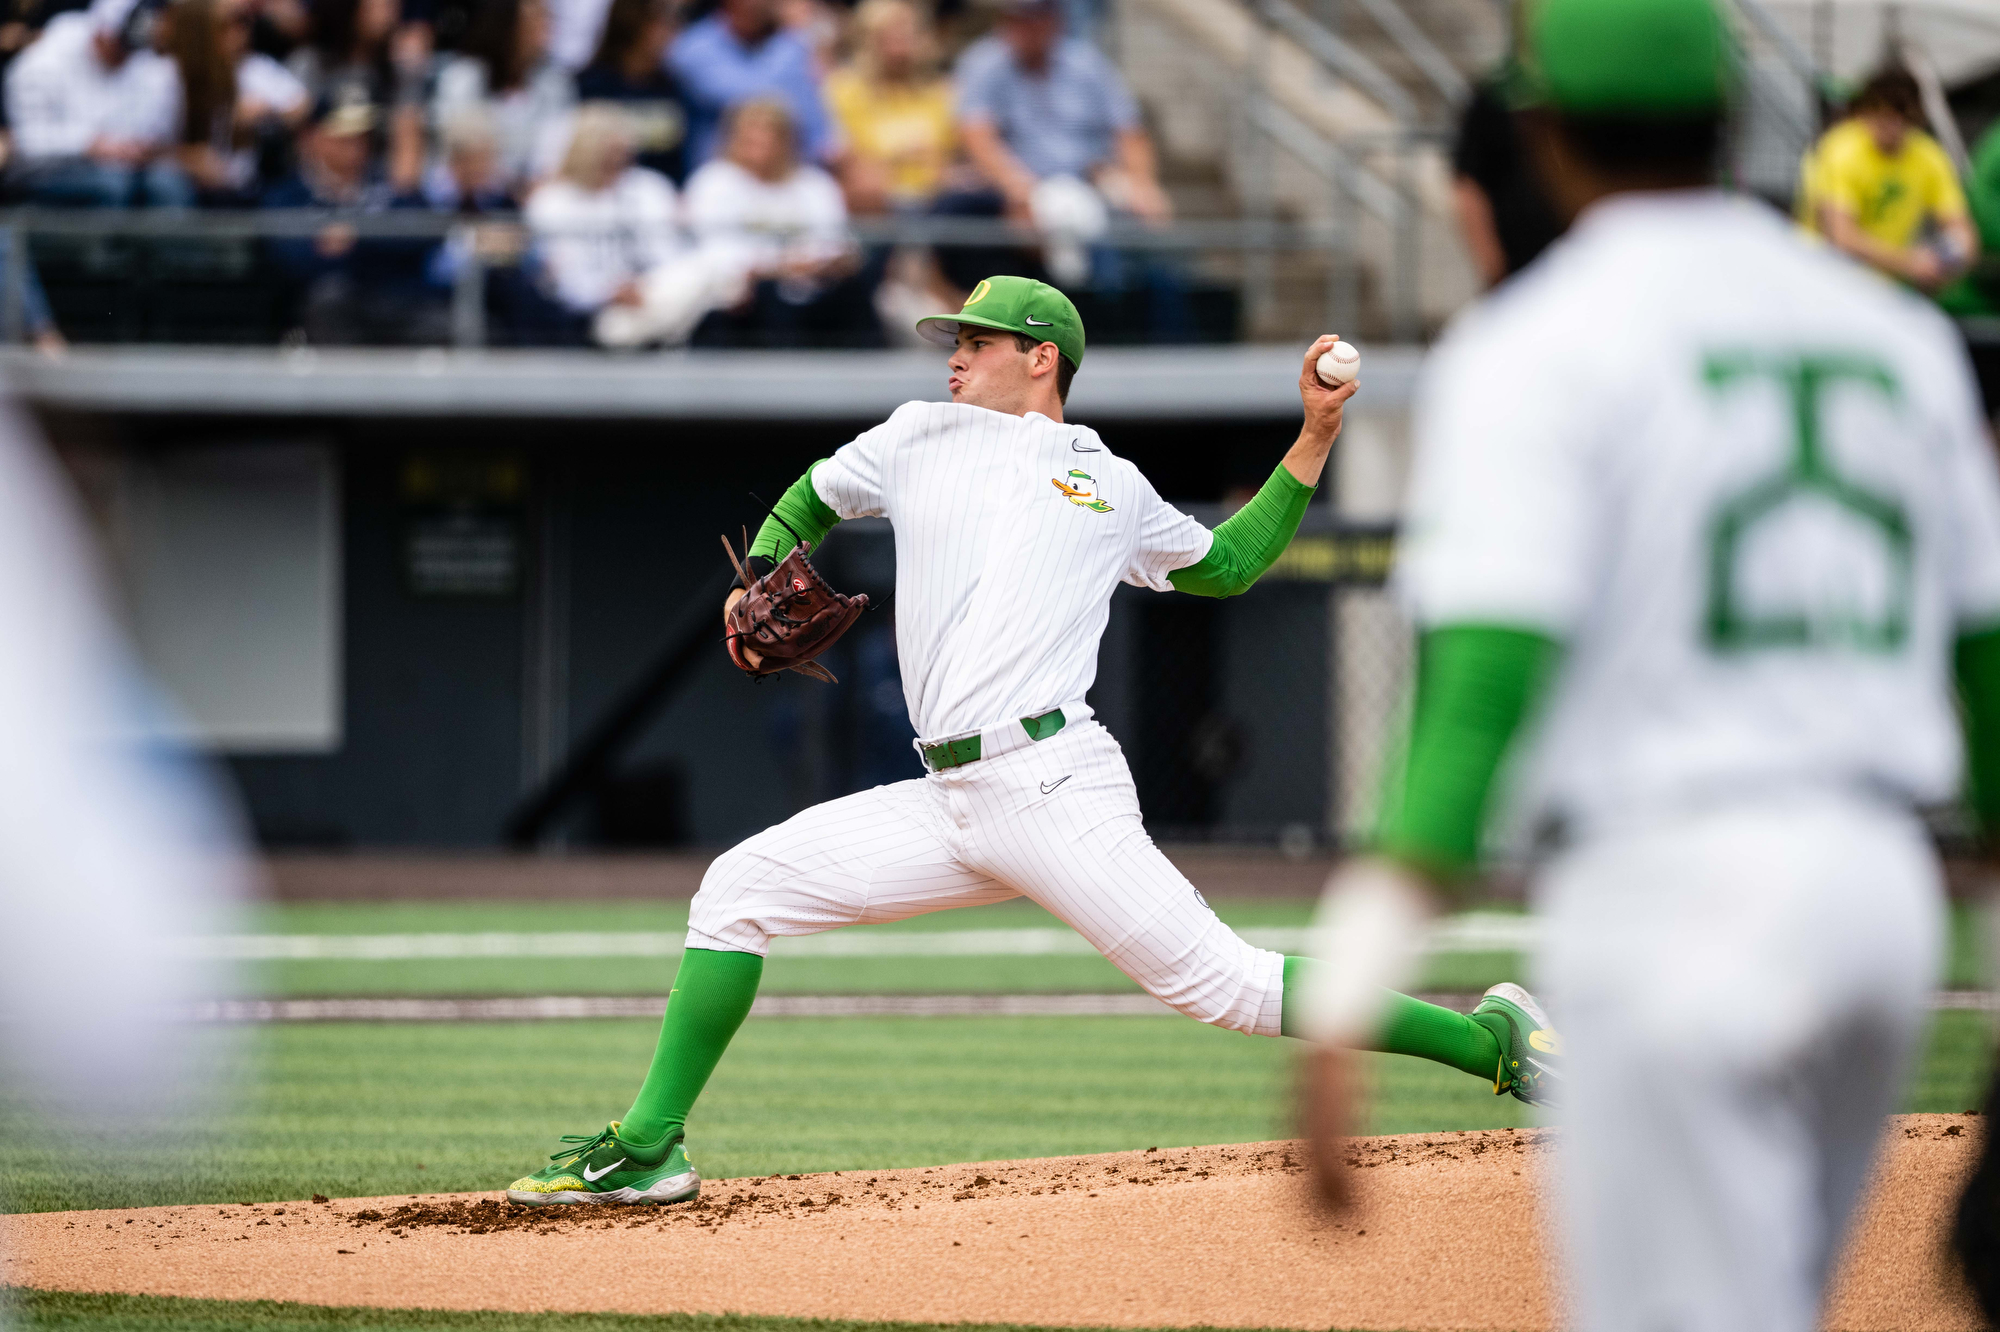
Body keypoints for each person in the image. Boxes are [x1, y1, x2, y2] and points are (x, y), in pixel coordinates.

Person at [498, 275, 1555, 1205]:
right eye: (952, 340)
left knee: (1225, 987)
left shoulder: (1109, 482)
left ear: (1040, 357)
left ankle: (1491, 1043)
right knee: (738, 890)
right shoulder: (914, 435)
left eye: (976, 340)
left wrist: (1314, 436)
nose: (953, 355)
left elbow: (1228, 565)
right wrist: (762, 571)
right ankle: (649, 1147)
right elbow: (812, 496)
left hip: (1053, 787)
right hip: (944, 799)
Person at [1296, 2, 2000, 1331]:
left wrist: (1353, 975)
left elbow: (1479, 692)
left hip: (1672, 896)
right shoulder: (1894, 336)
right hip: (1878, 897)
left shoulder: (1538, 342)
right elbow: (1990, 676)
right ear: (1735, 118)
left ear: (1543, 133)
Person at [683, 95, 874, 347]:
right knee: (764, 294)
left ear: (788, 141)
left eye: (770, 136)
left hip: (815, 287)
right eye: (751, 138)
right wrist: (777, 267)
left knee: (857, 287)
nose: (761, 145)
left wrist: (813, 263)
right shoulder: (714, 182)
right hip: (745, 296)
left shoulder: (815, 184)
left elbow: (834, 242)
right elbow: (714, 250)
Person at [525, 102, 716, 347]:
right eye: (606, 156)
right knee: (617, 328)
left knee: (707, 270)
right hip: (599, 308)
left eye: (622, 155)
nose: (616, 163)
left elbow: (671, 257)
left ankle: (662, 333)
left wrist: (642, 286)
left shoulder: (649, 187)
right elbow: (564, 280)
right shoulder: (552, 201)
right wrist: (608, 292)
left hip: (653, 292)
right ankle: (668, 337)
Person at [263, 94, 441, 343]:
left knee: (445, 321)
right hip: (328, 312)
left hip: (398, 304)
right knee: (330, 297)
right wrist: (378, 247)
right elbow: (291, 258)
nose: (355, 145)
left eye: (361, 136)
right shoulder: (289, 194)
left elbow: (423, 236)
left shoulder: (391, 186)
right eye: (343, 136)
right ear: (312, 137)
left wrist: (356, 238)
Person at [1798, 67, 1979, 295]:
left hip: (1883, 291)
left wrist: (1950, 257)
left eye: (1901, 117)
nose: (1892, 126)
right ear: (1866, 112)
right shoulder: (1839, 150)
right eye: (1884, 116)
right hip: (1821, 281)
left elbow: (1962, 229)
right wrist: (1912, 262)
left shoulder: (1929, 156)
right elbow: (1841, 237)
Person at [4, 0, 190, 204]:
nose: (123, 57)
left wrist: (138, 147)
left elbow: (162, 134)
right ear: (102, 32)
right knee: (110, 185)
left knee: (167, 184)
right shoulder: (42, 62)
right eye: (119, 45)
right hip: (49, 172)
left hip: (128, 169)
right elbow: (26, 141)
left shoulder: (151, 65)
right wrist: (89, 144)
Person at [667, 0, 829, 172]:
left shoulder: (791, 43)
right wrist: (796, 37)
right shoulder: (691, 46)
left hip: (786, 175)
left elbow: (813, 122)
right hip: (718, 174)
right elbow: (751, 99)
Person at [431, 0, 572, 197]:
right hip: (467, 190)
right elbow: (455, 144)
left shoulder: (554, 82)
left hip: (535, 193)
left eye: (547, 22)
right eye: (535, 24)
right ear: (507, 25)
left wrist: (535, 183)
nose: (544, 34)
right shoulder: (464, 77)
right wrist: (506, 182)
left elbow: (558, 144)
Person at [824, 0, 952, 216]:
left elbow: (949, 160)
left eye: (907, 38)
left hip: (936, 204)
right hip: (872, 208)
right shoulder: (843, 90)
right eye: (889, 39)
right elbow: (848, 160)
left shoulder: (941, 92)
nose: (899, 49)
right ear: (867, 42)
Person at [1451, 73, 1561, 286]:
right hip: (1517, 267)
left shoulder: (1575, 97)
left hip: (1573, 263)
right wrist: (1492, 265)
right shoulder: (1496, 98)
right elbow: (1468, 186)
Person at [572, 0, 686, 183]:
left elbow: (676, 157)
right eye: (659, 24)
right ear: (632, 25)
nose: (670, 34)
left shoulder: (672, 88)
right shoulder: (591, 85)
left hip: (659, 192)